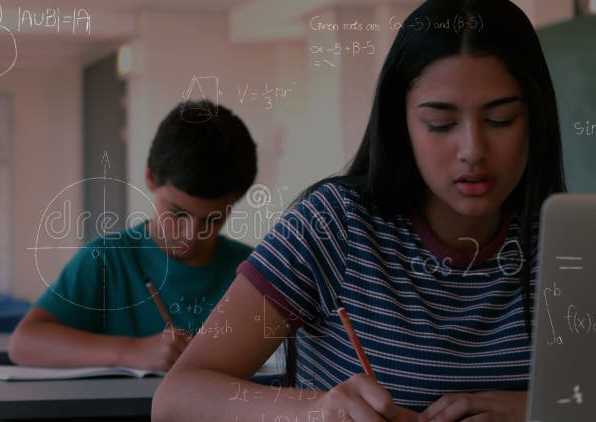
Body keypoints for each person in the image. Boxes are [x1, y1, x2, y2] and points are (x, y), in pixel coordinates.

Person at [152, 0, 566, 420]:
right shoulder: (335, 224)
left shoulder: (566, 240)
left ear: (535, 117)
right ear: (399, 124)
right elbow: (177, 398)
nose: (472, 150)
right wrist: (317, 411)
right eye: (440, 124)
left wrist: (542, 408)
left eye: (501, 119)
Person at [9, 100, 258, 371]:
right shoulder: (107, 258)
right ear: (150, 177)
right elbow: (24, 343)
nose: (191, 235)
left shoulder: (252, 271)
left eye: (214, 219)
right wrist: (130, 352)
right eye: (177, 213)